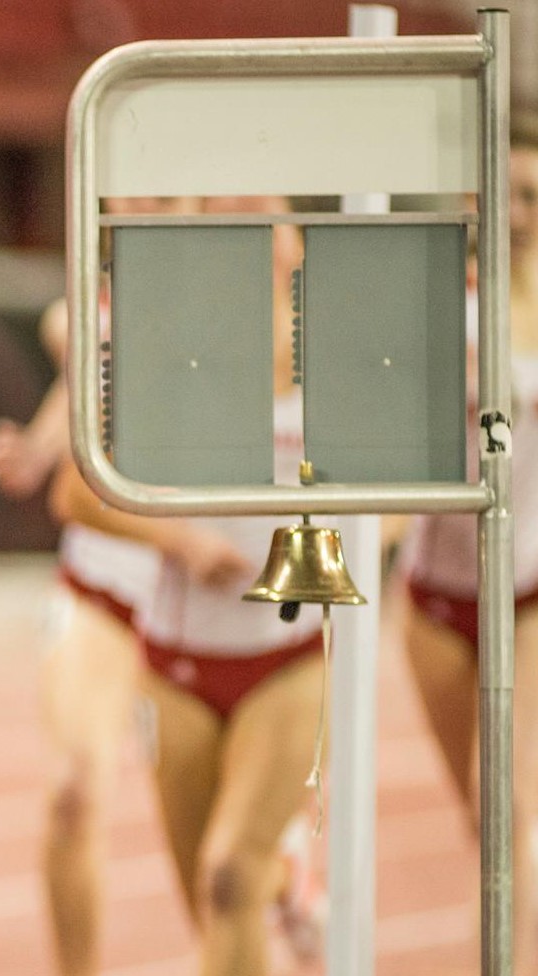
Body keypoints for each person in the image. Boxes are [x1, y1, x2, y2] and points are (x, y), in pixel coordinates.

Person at [52, 198, 334, 976]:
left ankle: (275, 873)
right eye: (232, 226)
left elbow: (401, 504)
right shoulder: (170, 354)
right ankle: (287, 879)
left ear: (297, 244)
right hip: (176, 660)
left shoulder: (336, 362)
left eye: (269, 224)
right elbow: (77, 493)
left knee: (229, 874)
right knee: (213, 906)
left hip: (290, 656)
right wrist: (180, 540)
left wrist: (332, 548)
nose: (254, 243)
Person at [0, 195, 181, 976]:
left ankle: (287, 859)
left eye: (161, 194)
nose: (140, 206)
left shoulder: (252, 303)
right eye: (126, 192)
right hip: (102, 584)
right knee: (72, 791)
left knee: (223, 857)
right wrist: (37, 450)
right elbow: (84, 379)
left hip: (204, 597)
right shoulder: (81, 319)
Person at [395, 116, 538, 967]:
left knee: (507, 803)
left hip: (530, 589)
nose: (514, 212)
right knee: (482, 822)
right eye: (500, 193)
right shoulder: (433, 297)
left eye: (531, 196)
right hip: (436, 594)